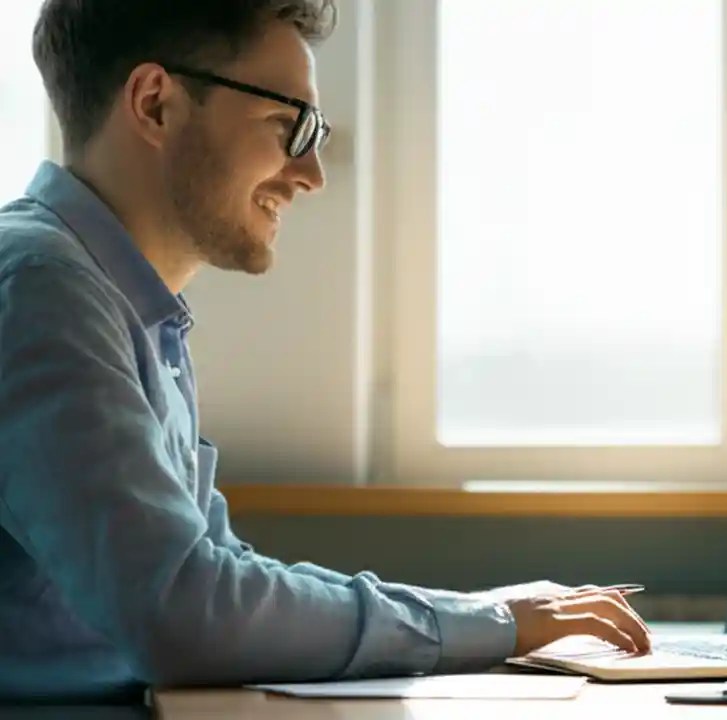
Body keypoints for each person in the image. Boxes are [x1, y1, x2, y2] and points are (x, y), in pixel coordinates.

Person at [0, 0, 650, 703]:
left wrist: (488, 616)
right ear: (156, 104)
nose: (312, 172)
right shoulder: (42, 290)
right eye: (289, 124)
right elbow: (185, 612)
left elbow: (217, 575)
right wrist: (488, 623)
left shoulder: (121, 307)